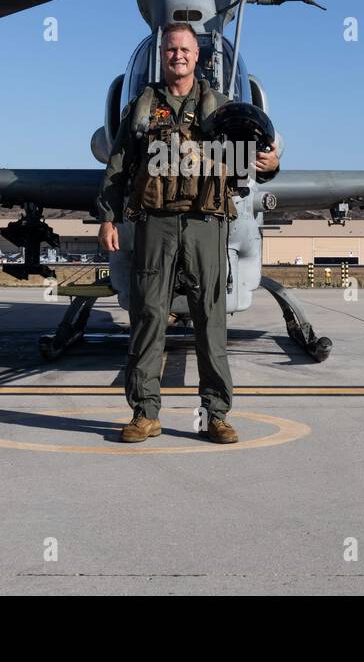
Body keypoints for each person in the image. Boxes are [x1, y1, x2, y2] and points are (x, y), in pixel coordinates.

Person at [95, 22, 280, 444]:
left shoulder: (221, 107)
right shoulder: (142, 107)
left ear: (198, 56)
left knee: (210, 320)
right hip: (155, 223)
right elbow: (119, 168)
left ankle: (216, 414)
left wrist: (270, 167)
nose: (178, 55)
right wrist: (108, 217)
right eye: (171, 49)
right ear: (162, 55)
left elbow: (248, 161)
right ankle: (145, 413)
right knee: (147, 317)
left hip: (205, 224)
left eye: (185, 49)